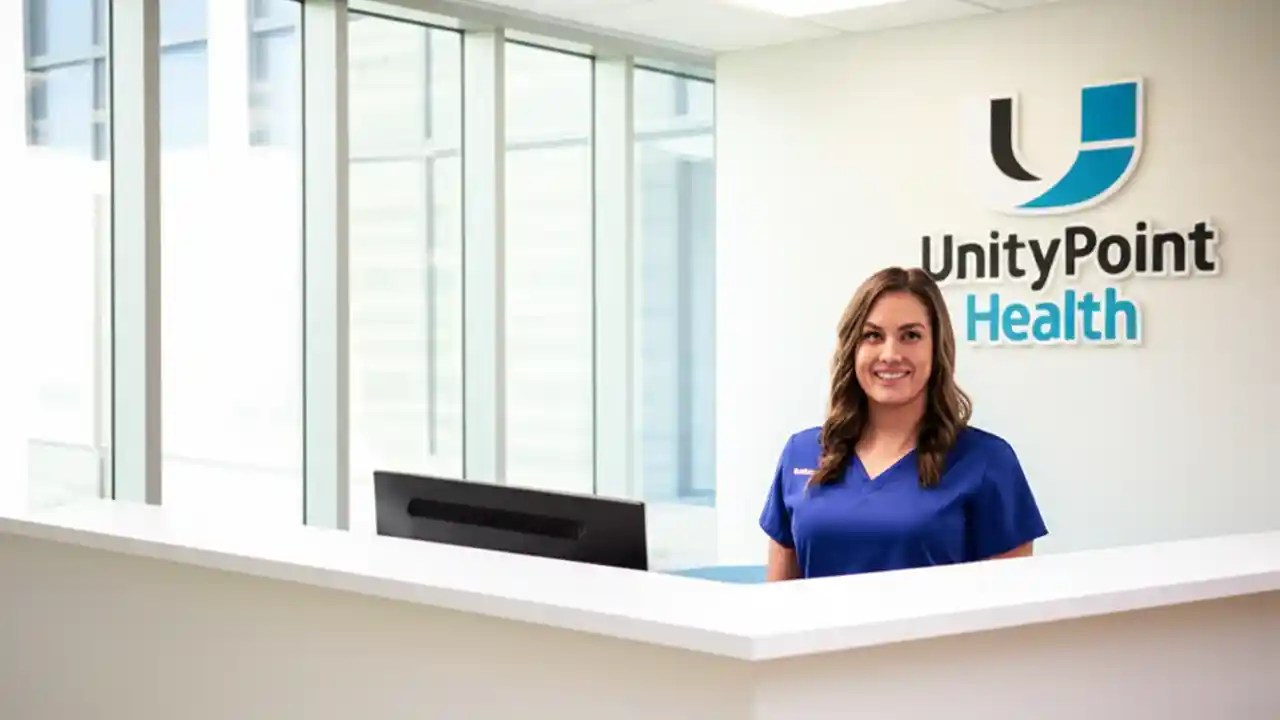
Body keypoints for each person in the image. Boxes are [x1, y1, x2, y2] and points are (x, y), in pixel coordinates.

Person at [759, 266, 1047, 581]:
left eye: (911, 336)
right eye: (873, 336)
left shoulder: (987, 462)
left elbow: (1010, 615)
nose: (890, 353)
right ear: (853, 348)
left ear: (937, 347)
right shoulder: (800, 453)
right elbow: (778, 606)